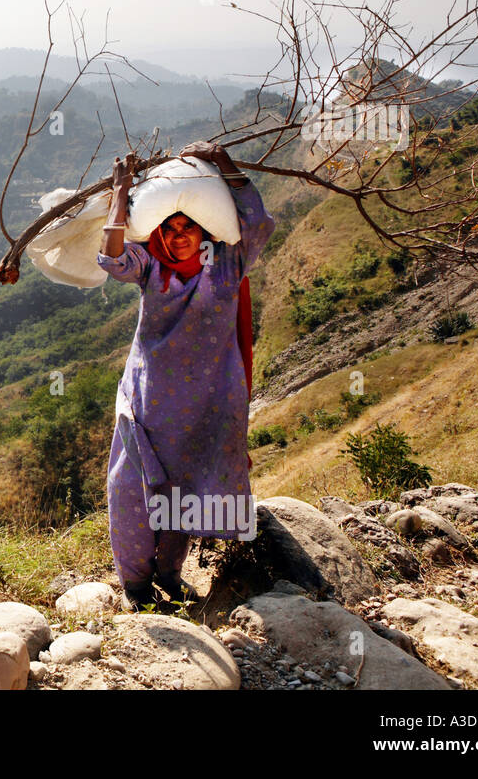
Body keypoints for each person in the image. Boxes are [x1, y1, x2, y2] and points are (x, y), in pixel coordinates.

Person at [96, 141, 275, 610]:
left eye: (188, 227)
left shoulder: (228, 263)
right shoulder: (151, 264)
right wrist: (121, 192)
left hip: (209, 405)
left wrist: (221, 162)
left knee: (187, 492)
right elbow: (112, 258)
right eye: (170, 228)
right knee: (132, 491)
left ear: (204, 232)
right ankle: (136, 585)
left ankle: (170, 576)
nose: (178, 237)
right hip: (147, 402)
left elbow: (258, 222)